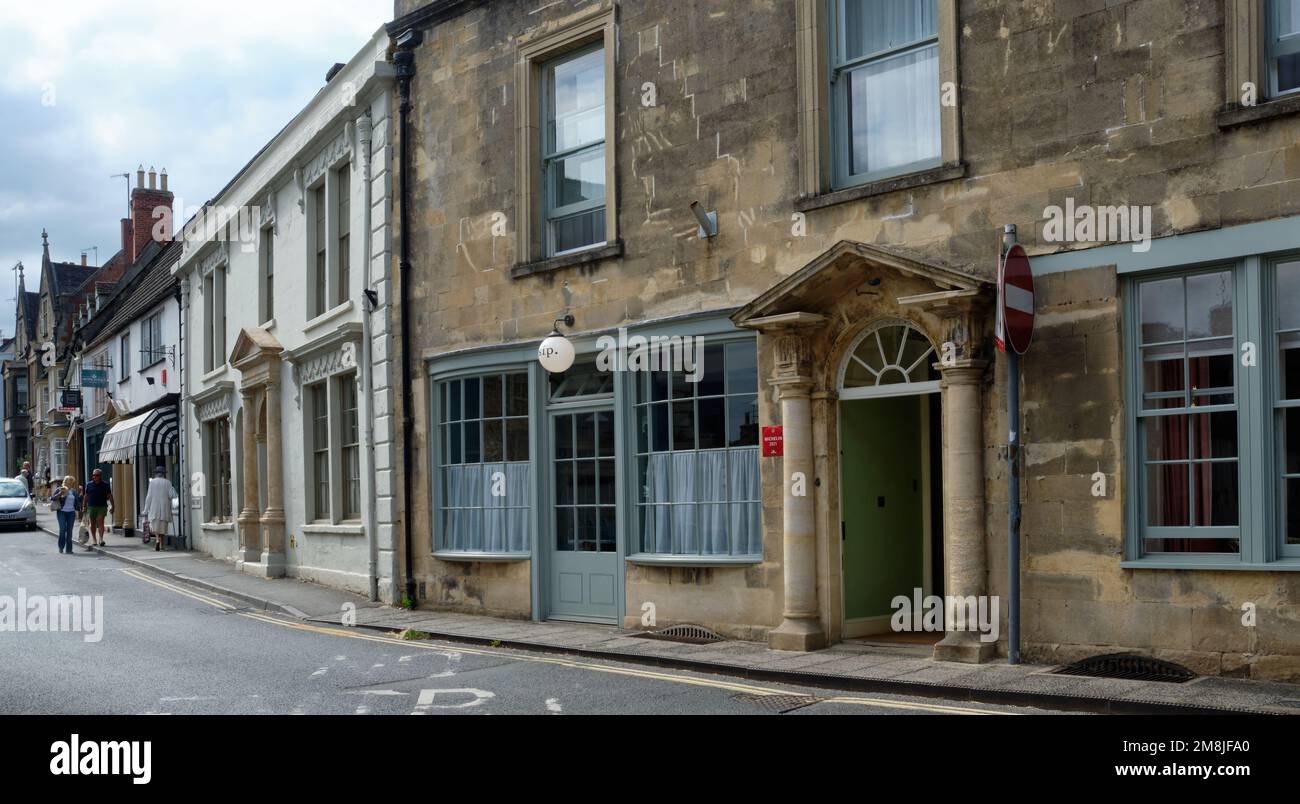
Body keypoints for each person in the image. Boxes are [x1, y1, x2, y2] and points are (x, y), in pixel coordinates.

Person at [142, 465, 176, 552]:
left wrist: (146, 509)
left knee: (155, 527)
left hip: (154, 508)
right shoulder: (168, 482)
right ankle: (162, 545)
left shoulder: (152, 482)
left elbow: (149, 497)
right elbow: (172, 495)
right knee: (163, 527)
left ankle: (157, 539)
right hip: (164, 508)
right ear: (164, 474)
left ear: (156, 474)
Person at [80, 468, 114, 549]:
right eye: (93, 475)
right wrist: (84, 506)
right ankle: (94, 539)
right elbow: (86, 496)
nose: (94, 477)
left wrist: (113, 506)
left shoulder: (105, 485)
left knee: (100, 522)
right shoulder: (89, 484)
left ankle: (101, 539)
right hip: (91, 507)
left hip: (102, 506)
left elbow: (110, 496)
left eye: (97, 475)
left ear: (100, 476)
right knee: (93, 523)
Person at [51, 475, 81, 555]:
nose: (72, 484)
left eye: (73, 482)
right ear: (67, 482)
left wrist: (80, 494)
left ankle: (69, 549)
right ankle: (61, 547)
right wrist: (60, 494)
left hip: (71, 512)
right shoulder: (60, 489)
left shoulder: (73, 491)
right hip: (62, 512)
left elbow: (77, 501)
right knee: (62, 529)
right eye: (71, 482)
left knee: (69, 531)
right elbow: (52, 498)